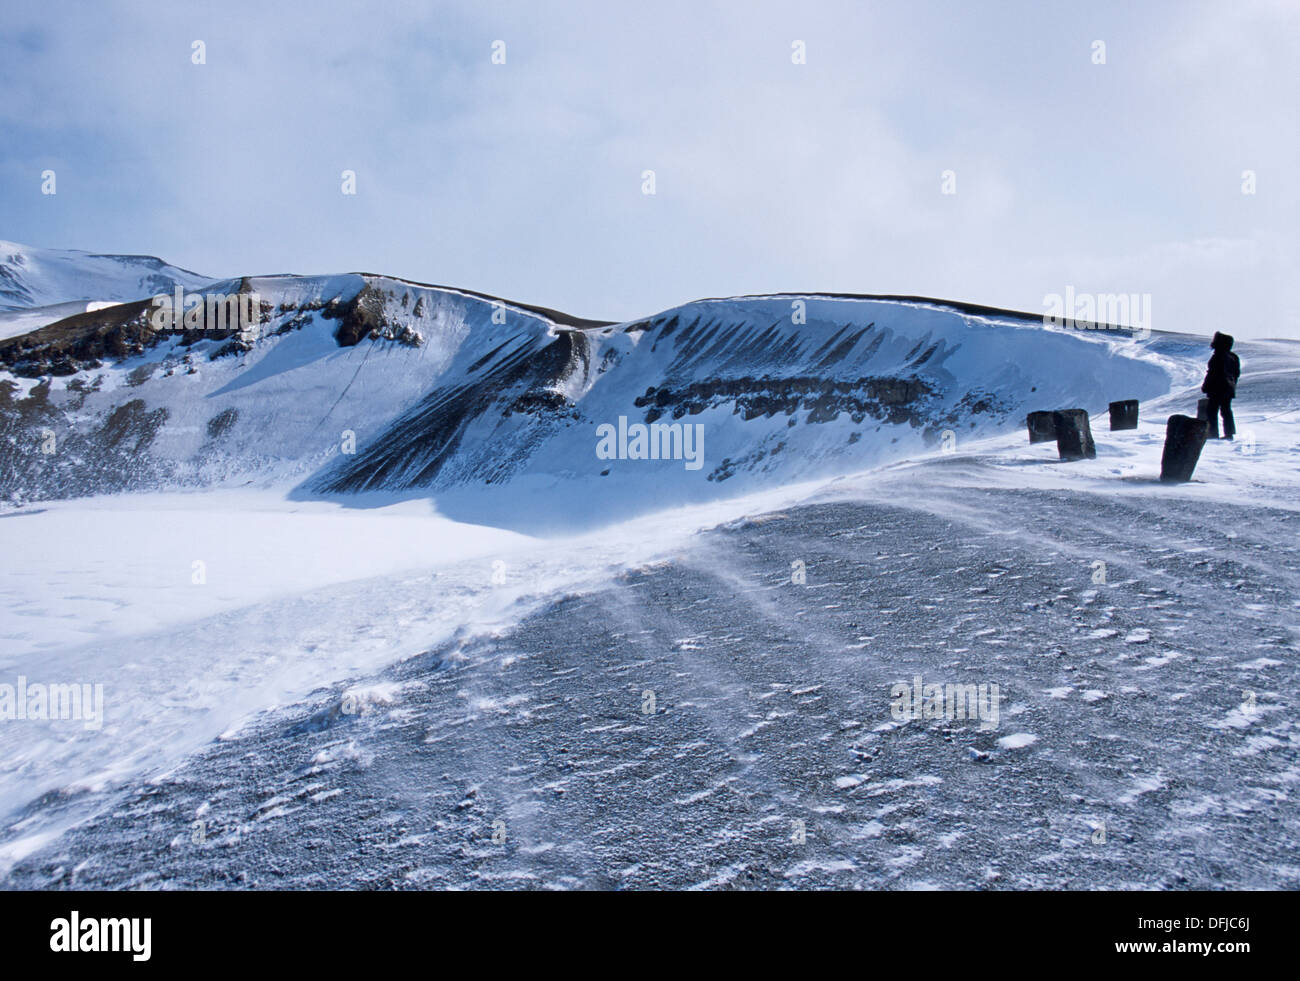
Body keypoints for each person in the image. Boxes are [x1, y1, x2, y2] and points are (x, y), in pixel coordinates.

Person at [1201, 331, 1241, 440]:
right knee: (1226, 411)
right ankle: (1229, 433)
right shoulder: (1233, 357)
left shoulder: (1218, 356)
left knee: (1211, 411)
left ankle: (1212, 434)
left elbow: (1212, 373)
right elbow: (1236, 374)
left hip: (1217, 388)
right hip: (1229, 389)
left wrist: (1205, 386)